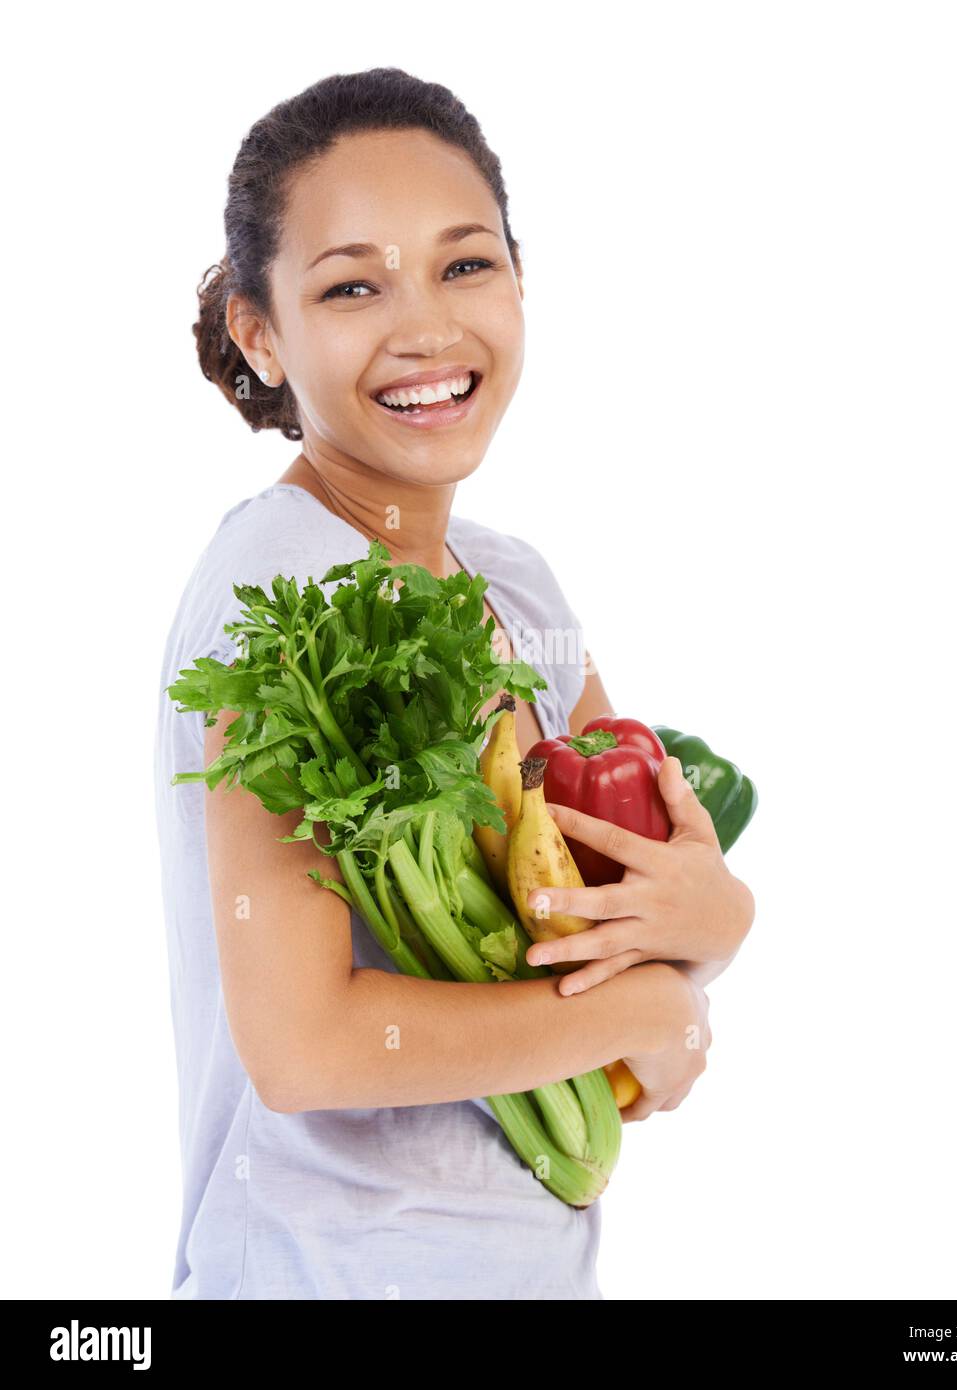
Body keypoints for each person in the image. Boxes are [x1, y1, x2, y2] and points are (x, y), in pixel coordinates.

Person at [154, 67, 755, 1301]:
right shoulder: (281, 586)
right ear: (258, 331)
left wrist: (717, 923)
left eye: (464, 264)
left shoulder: (514, 585)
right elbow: (305, 1045)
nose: (425, 328)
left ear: (521, 278)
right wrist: (648, 1011)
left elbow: (632, 920)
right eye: (351, 285)